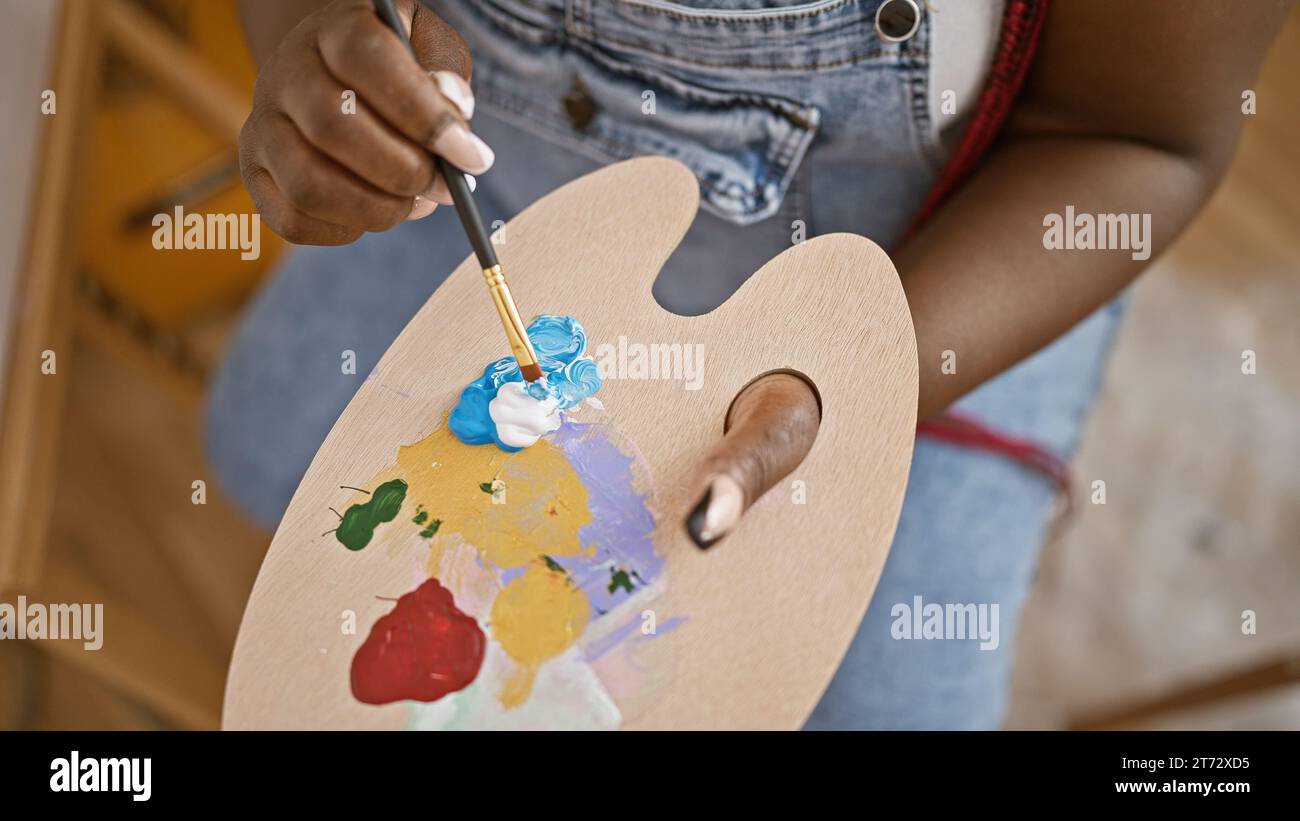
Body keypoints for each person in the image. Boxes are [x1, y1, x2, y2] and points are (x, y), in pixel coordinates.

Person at [209, 0, 1291, 728]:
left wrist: (850, 375)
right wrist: (310, 39)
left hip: (928, 280)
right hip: (478, 213)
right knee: (271, 464)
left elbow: (1142, 139)